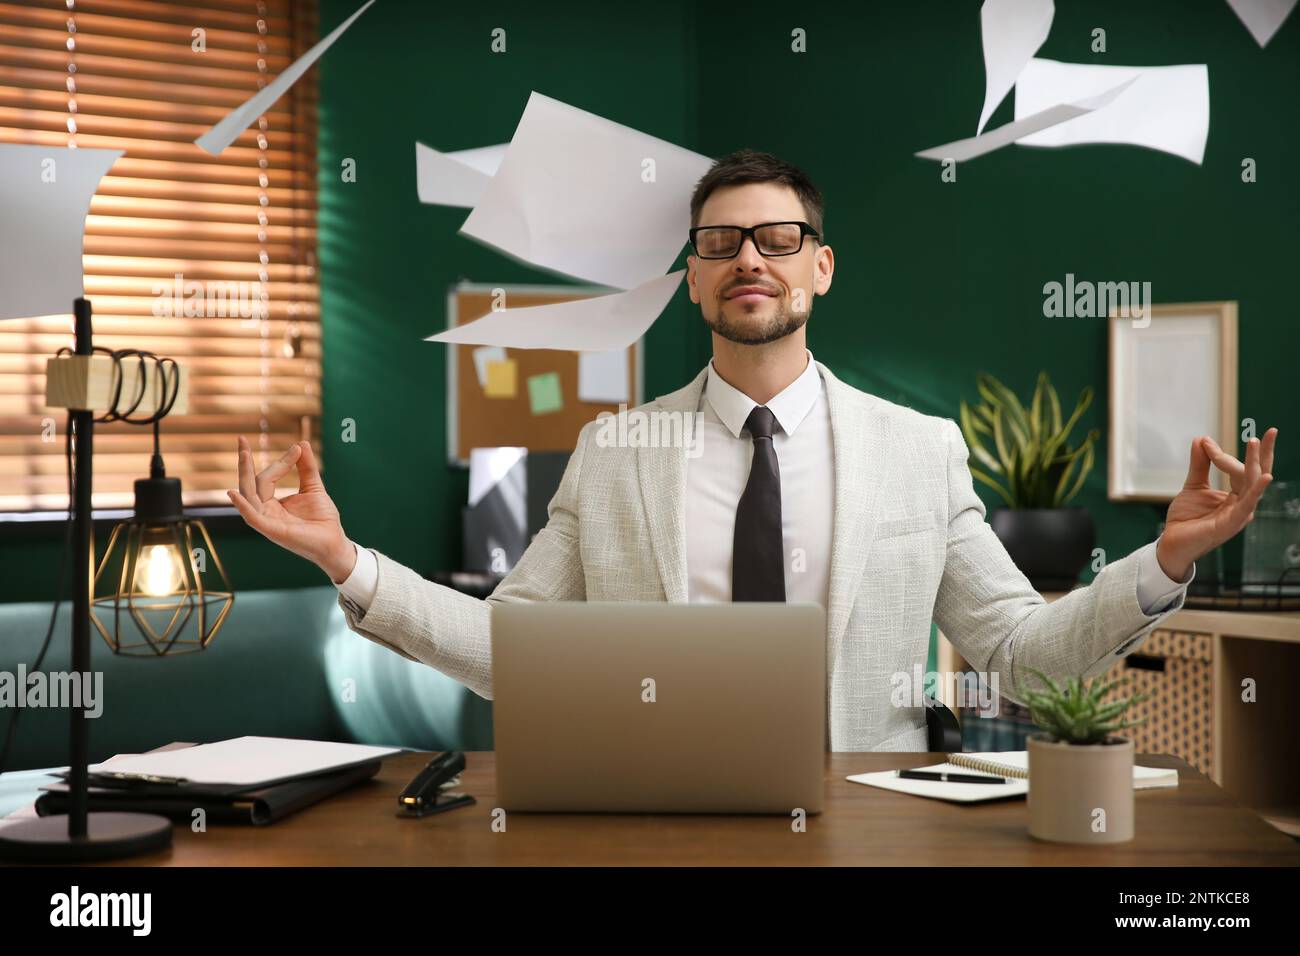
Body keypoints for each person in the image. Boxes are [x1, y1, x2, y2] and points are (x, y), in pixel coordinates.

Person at [228, 149, 1277, 751]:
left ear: (818, 268)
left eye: (777, 240)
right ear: (691, 277)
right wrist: (344, 559)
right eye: (720, 242)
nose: (748, 260)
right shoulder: (614, 448)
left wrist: (1166, 562)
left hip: (868, 829)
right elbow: (517, 650)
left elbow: (1014, 651)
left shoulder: (919, 448)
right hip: (656, 826)